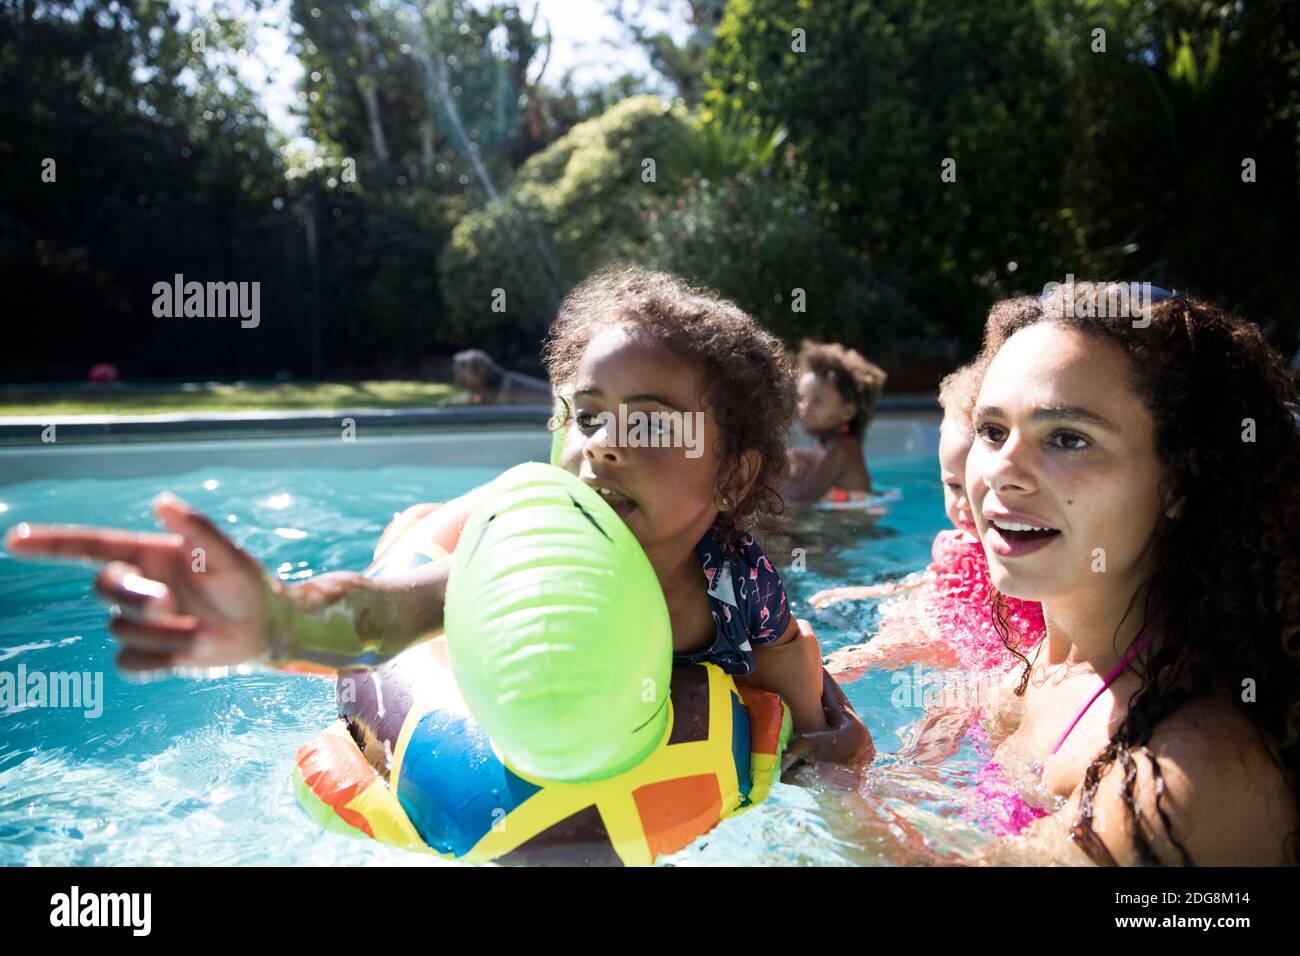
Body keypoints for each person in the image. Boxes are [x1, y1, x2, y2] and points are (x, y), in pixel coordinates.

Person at [5, 266, 872, 766]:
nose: (603, 444)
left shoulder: (735, 583)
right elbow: (385, 615)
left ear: (733, 475)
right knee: (428, 531)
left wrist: (824, 757)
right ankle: (428, 516)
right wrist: (273, 620)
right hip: (466, 535)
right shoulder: (535, 553)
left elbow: (802, 696)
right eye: (587, 412)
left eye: (649, 420)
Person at [966, 282, 1299, 865]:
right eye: (992, 431)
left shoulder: (1185, 773)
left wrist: (828, 774)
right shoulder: (1036, 665)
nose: (1002, 471)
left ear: (1178, 482)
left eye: (1068, 439)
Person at [816, 363, 1045, 675]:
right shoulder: (953, 543)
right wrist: (873, 593)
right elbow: (936, 580)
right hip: (947, 632)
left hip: (992, 654)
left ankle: (870, 655)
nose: (965, 504)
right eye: (953, 486)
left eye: (977, 486)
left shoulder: (1015, 549)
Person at [782, 341, 887, 504]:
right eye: (802, 399)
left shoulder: (839, 449)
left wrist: (776, 483)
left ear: (847, 411)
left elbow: (803, 497)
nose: (805, 409)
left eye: (817, 402)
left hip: (857, 527)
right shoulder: (834, 445)